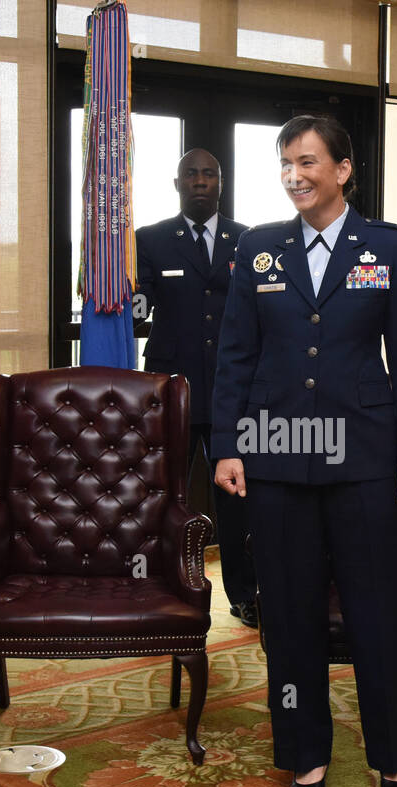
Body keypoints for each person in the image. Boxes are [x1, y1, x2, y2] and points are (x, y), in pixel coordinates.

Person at [211, 115, 397, 787]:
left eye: (307, 161)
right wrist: (228, 444)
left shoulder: (389, 247)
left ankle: (390, 754)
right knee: (290, 615)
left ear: (342, 170)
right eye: (285, 163)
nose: (294, 175)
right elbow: (236, 357)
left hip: (364, 459)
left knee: (373, 613)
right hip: (277, 460)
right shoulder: (260, 248)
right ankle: (304, 752)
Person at [136, 149, 258, 627]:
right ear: (177, 182)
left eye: (210, 174)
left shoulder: (247, 239)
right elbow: (141, 295)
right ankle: (159, 590)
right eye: (193, 173)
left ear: (221, 183)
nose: (201, 181)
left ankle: (246, 594)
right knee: (163, 496)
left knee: (236, 499)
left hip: (232, 391)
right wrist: (122, 298)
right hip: (171, 391)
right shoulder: (149, 239)